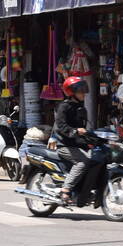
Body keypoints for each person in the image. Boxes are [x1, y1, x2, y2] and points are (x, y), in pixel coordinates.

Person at [52, 76, 92, 204]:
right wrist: (74, 131)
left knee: (96, 159)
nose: (83, 93)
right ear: (71, 92)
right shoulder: (64, 107)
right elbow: (61, 126)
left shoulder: (81, 108)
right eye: (80, 91)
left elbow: (85, 128)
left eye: (83, 90)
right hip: (64, 144)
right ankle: (66, 189)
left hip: (77, 144)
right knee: (82, 162)